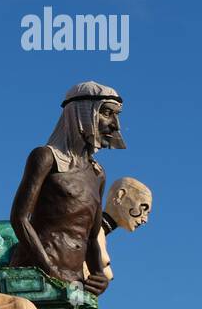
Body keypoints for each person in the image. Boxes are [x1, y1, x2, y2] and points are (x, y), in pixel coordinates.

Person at [10, 82, 125, 294]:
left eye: (117, 115)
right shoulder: (45, 157)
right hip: (35, 279)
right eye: (107, 113)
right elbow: (20, 219)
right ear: (82, 112)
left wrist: (98, 274)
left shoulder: (97, 174)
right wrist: (50, 271)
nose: (115, 124)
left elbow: (91, 237)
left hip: (75, 284)